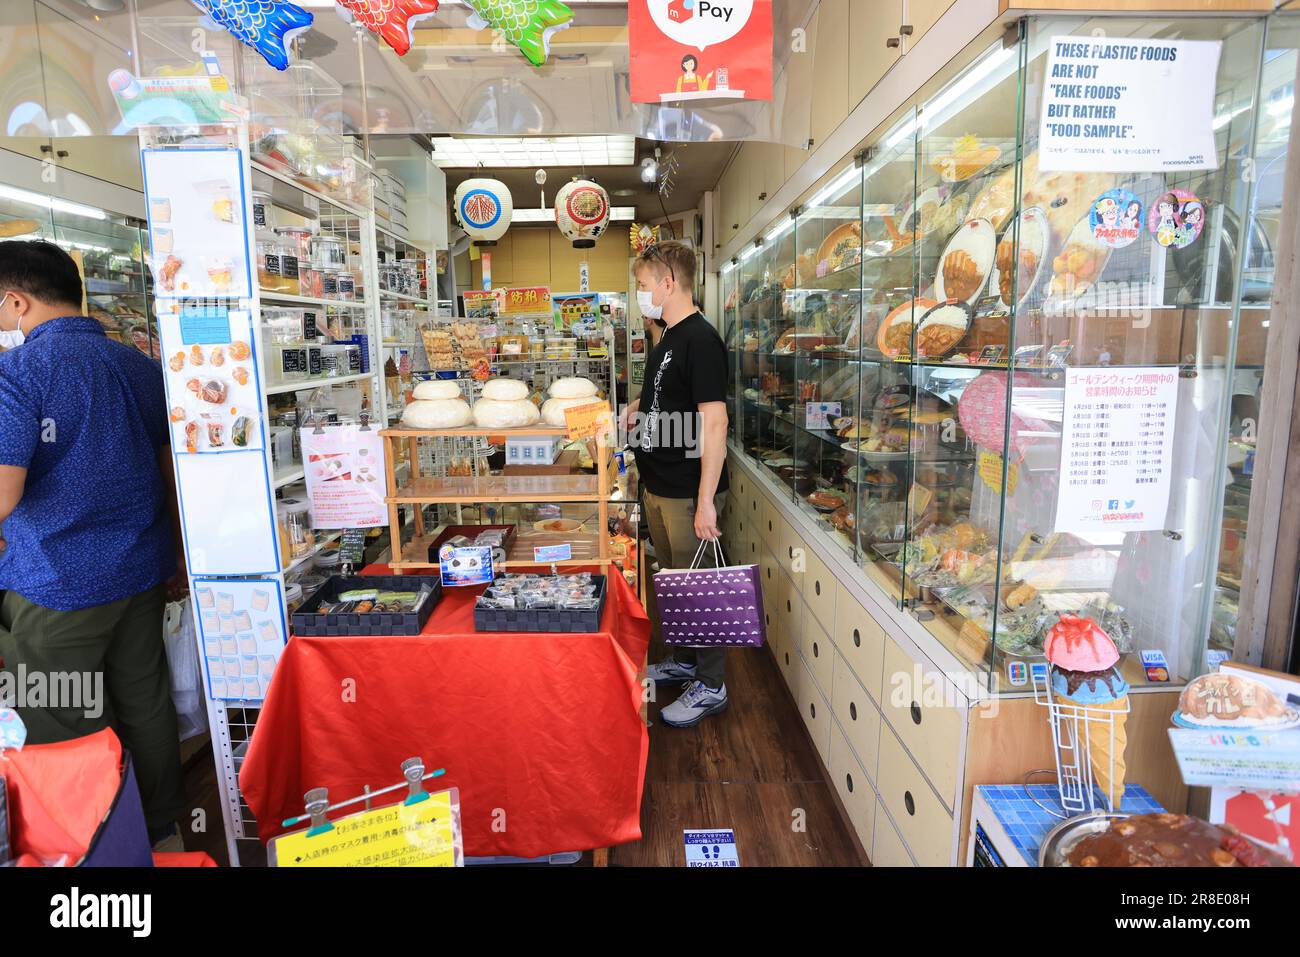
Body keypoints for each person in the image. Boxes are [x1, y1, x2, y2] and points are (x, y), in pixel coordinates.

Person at [0, 240, 187, 847]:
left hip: (55, 583)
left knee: (62, 717)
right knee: (145, 703)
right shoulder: (134, 363)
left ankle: (93, 847)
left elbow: (1, 496)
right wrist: (179, 552)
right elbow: (170, 470)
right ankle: (161, 832)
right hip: (140, 569)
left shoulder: (18, 373)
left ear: (15, 301)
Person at [623, 240, 731, 727]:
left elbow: (714, 423)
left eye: (643, 285)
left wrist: (706, 501)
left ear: (668, 284)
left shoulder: (701, 340)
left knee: (699, 588)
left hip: (690, 490)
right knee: (673, 582)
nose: (640, 293)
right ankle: (686, 660)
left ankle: (711, 684)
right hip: (660, 485)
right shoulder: (668, 336)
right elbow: (668, 393)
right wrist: (637, 409)